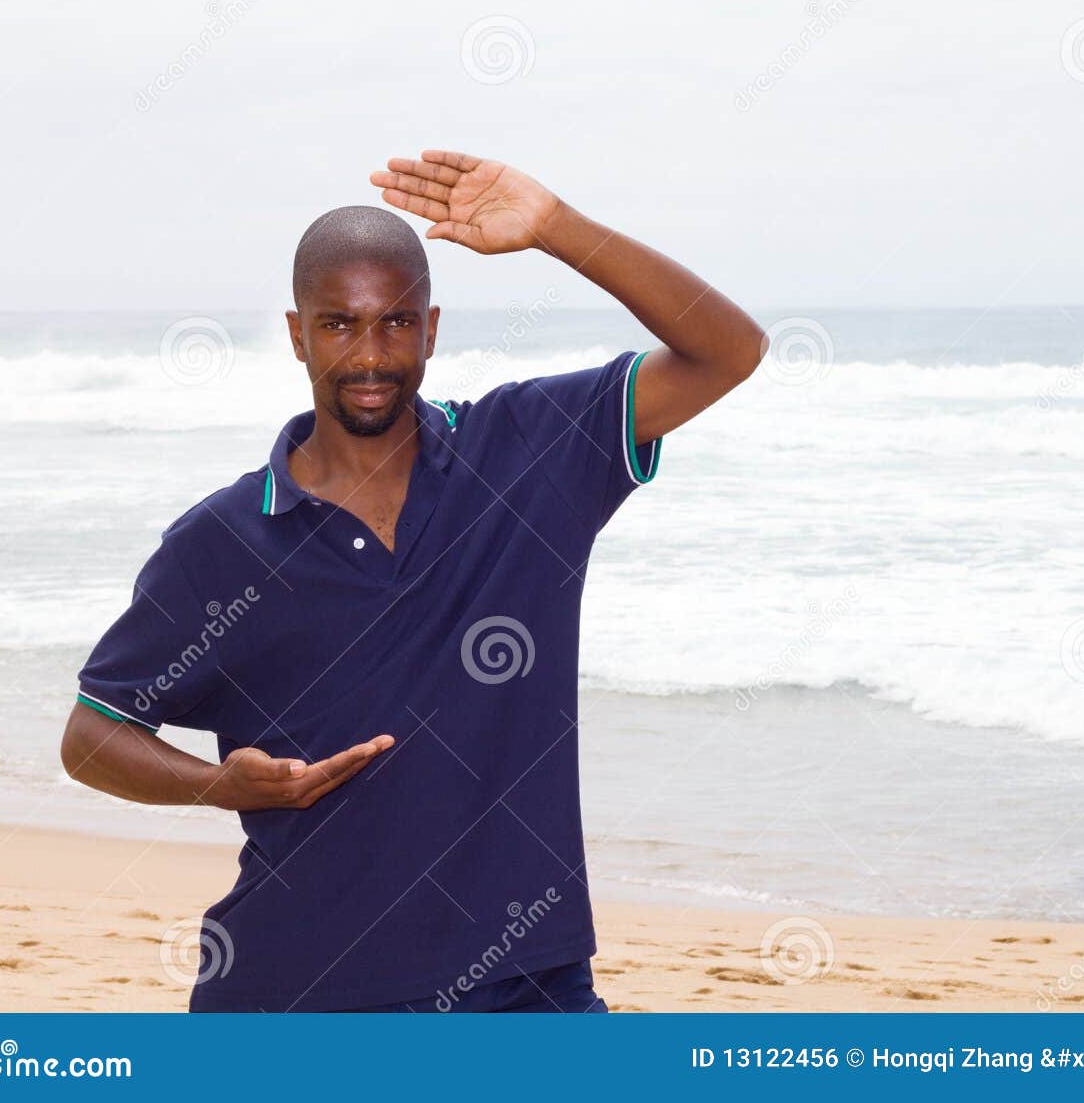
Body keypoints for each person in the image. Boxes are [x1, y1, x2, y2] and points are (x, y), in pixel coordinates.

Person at [59, 150, 766, 1012]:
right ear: (296, 333)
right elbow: (93, 735)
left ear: (431, 329)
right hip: (299, 997)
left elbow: (728, 350)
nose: (369, 353)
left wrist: (557, 230)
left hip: (527, 989)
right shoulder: (224, 541)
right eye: (339, 324)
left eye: (395, 323)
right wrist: (217, 785)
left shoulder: (526, 453)